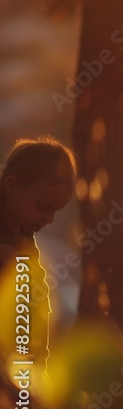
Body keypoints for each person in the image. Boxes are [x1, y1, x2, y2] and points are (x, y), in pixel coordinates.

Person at [0, 136, 77, 376]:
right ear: (12, 186)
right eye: (43, 207)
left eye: (56, 211)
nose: (49, 219)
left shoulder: (23, 233)